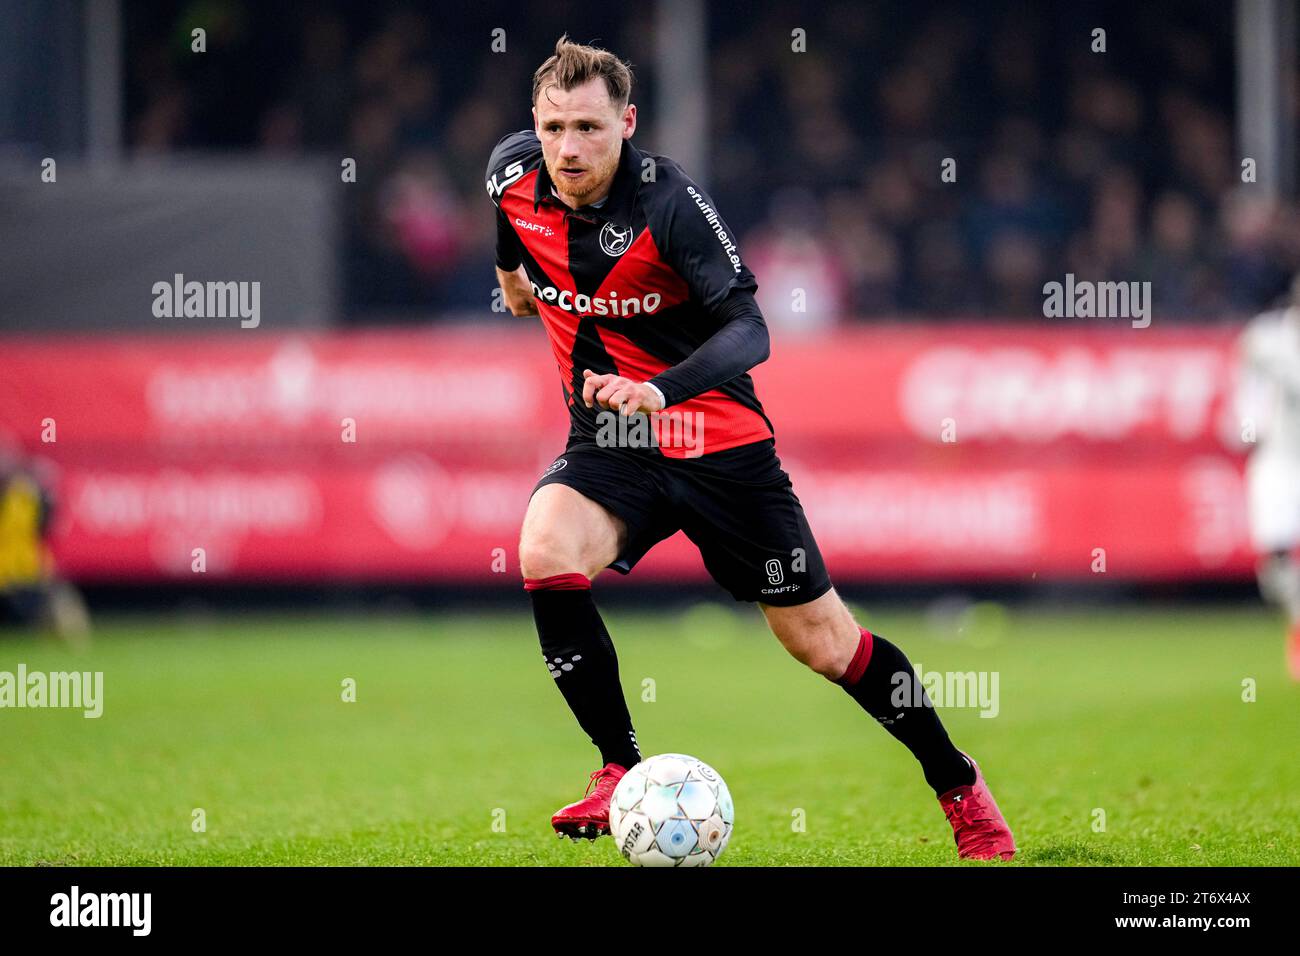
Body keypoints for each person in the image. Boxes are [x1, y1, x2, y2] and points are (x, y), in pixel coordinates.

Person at [486, 35, 1014, 860]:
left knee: (826, 645)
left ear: (626, 124)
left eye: (588, 127)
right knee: (544, 549)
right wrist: (516, 285)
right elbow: (512, 240)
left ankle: (958, 784)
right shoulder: (514, 180)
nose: (568, 148)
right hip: (612, 443)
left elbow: (751, 330)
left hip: (717, 446)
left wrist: (660, 388)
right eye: (553, 128)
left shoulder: (670, 205)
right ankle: (619, 768)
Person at [1236, 274, 1300, 680]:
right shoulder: (1265, 340)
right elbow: (1247, 390)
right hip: (1278, 460)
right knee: (1274, 568)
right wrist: (1246, 427)